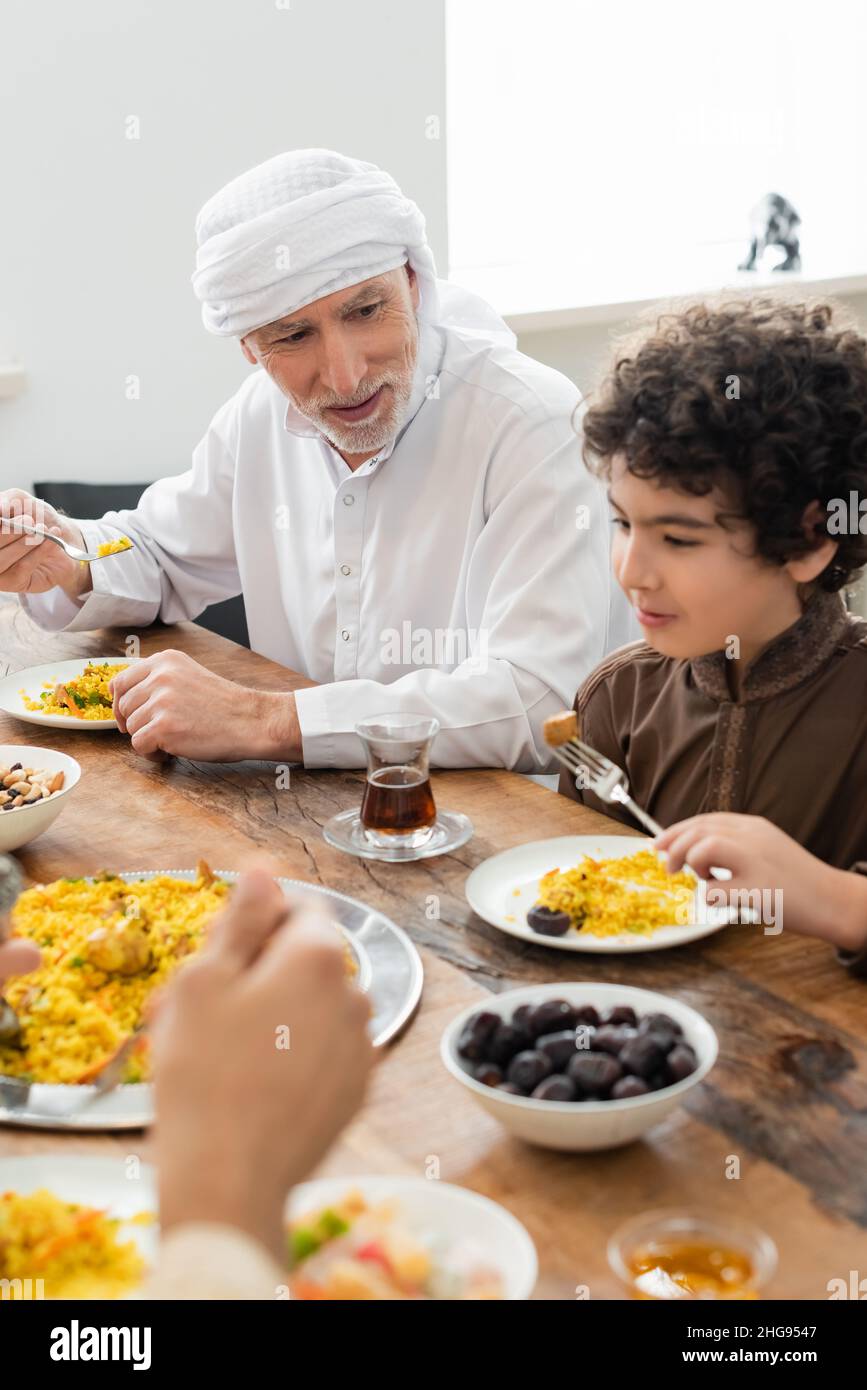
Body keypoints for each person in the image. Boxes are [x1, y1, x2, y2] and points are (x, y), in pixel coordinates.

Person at [0, 148, 632, 771]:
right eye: (293, 335)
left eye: (366, 310)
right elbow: (162, 555)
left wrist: (264, 720)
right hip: (309, 815)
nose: (345, 373)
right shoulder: (258, 418)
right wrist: (72, 557)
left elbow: (543, 703)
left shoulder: (532, 422)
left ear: (413, 285)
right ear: (250, 347)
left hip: (515, 841)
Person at [556, 296, 867, 967]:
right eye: (620, 524)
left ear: (809, 540)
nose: (631, 571)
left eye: (676, 538)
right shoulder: (616, 699)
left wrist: (837, 900)